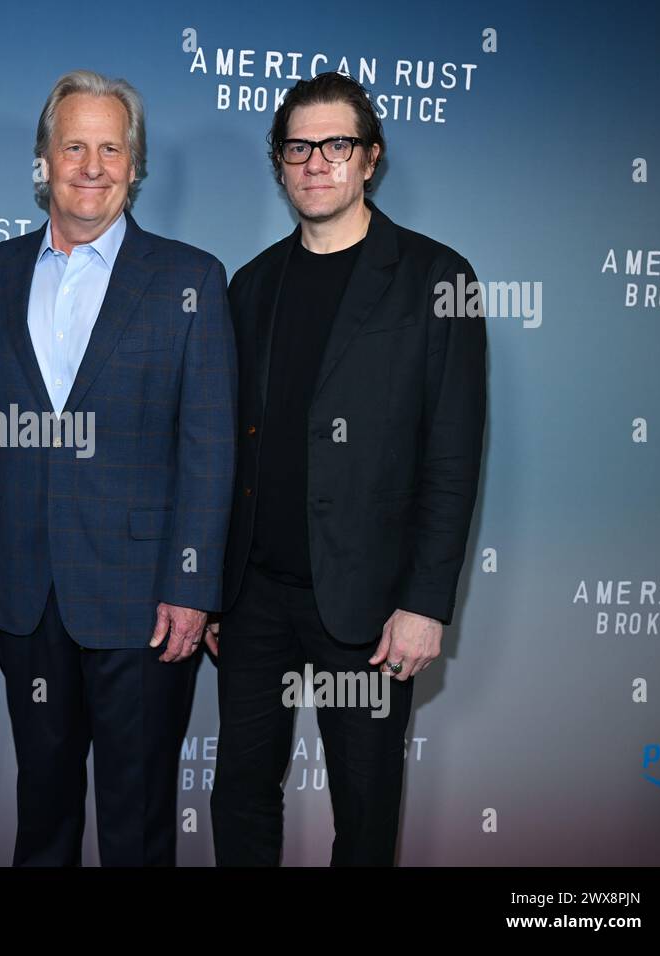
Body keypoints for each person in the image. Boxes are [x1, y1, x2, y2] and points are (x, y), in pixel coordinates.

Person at [0, 70, 237, 866]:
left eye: (111, 147)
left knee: (138, 819)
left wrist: (192, 585)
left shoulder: (190, 279)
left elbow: (210, 444)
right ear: (42, 159)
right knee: (41, 811)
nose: (91, 164)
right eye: (73, 144)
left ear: (135, 163)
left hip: (143, 596)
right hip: (24, 587)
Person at [210, 71, 487, 866]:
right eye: (299, 147)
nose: (316, 162)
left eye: (337, 145)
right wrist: (216, 587)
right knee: (240, 798)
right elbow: (233, 446)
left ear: (371, 158)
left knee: (364, 810)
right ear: (280, 161)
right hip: (254, 596)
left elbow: (454, 451)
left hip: (371, 606)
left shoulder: (439, 280)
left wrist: (426, 603)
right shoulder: (251, 284)